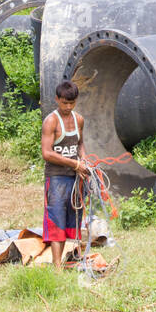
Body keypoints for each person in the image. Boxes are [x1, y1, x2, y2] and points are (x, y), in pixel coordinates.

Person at [41, 80, 89, 268]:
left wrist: (83, 160)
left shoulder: (79, 120)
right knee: (56, 218)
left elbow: (80, 144)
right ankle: (57, 267)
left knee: (74, 217)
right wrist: (74, 163)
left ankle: (73, 257)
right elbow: (47, 153)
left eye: (71, 103)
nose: (68, 107)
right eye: (64, 103)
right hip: (56, 178)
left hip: (75, 178)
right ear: (57, 100)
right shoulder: (51, 121)